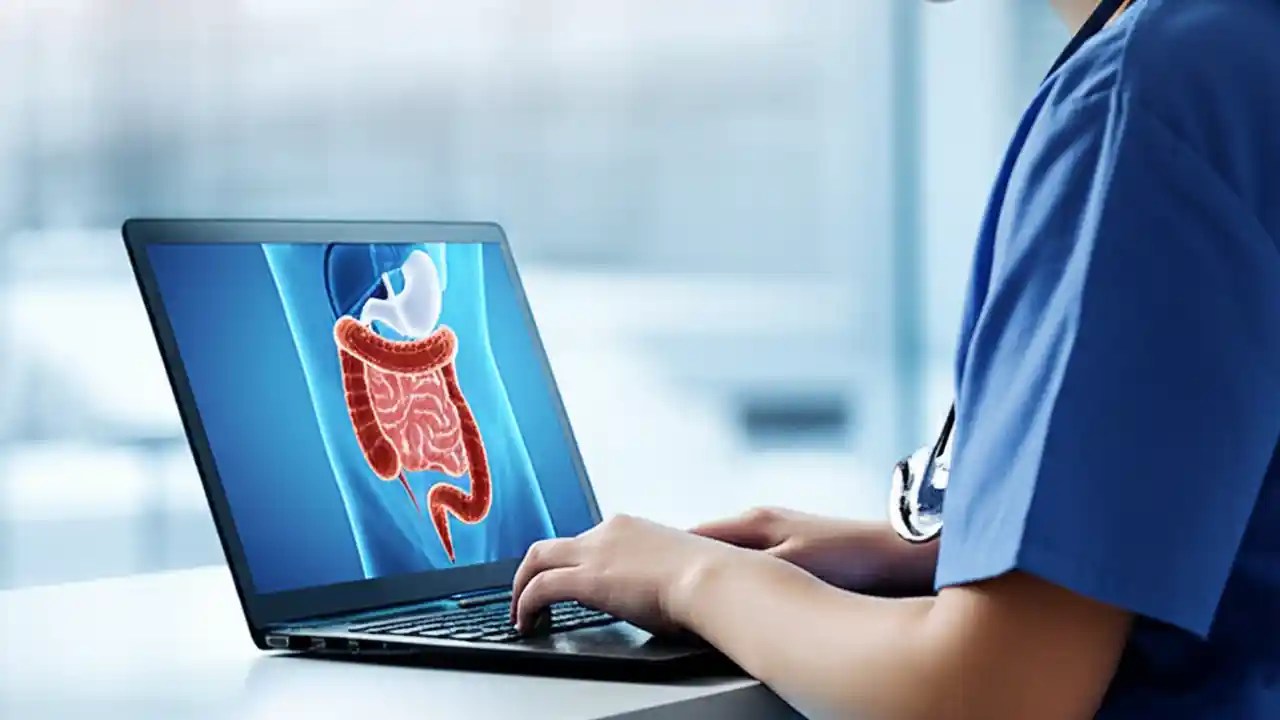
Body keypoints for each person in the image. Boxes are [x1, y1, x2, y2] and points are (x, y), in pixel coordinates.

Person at [510, 0, 1280, 717]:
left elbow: (993, 693)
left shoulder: (1145, 104)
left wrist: (696, 579)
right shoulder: (1231, 48)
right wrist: (975, 556)